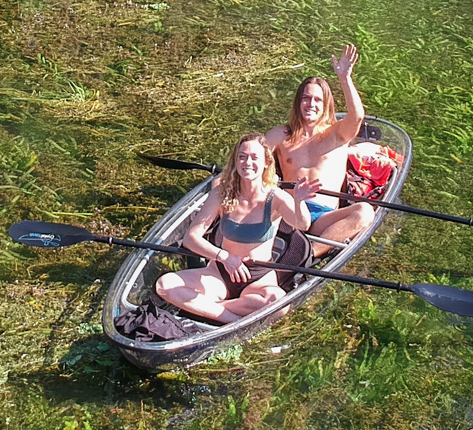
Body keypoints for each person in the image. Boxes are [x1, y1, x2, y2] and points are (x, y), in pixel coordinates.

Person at [154, 134, 313, 322]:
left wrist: (298, 201)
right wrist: (224, 257)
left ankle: (207, 308)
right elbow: (191, 238)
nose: (248, 162)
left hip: (258, 277)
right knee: (165, 284)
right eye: (242, 156)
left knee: (279, 303)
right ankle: (230, 319)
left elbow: (302, 225)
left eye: (255, 158)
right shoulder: (221, 194)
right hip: (221, 272)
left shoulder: (276, 197)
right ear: (235, 161)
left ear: (266, 163)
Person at [264, 42, 375, 246]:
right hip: (289, 212)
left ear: (326, 106)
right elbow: (253, 157)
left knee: (364, 212)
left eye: (317, 100)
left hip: (322, 217)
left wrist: (345, 78)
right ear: (298, 102)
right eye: (306, 98)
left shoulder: (337, 134)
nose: (311, 104)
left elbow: (357, 116)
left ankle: (307, 255)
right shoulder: (281, 134)